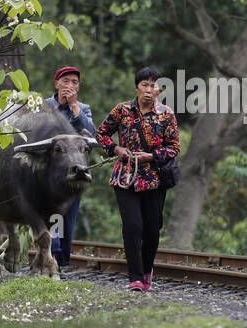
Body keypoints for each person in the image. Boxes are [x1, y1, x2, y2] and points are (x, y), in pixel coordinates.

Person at [96, 66, 180, 291]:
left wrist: (151, 156)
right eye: (145, 85)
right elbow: (101, 133)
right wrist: (116, 149)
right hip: (125, 177)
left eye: (153, 85)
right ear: (137, 87)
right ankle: (135, 278)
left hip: (155, 179)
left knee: (152, 228)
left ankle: (146, 270)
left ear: (158, 89)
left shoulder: (166, 114)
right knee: (132, 226)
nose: (148, 90)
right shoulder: (121, 110)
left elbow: (174, 147)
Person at [44, 66, 96, 270]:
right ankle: (51, 258)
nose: (70, 86)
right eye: (66, 81)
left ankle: (61, 263)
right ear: (57, 83)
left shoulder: (84, 108)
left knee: (68, 219)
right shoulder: (44, 106)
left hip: (74, 175)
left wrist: (75, 108)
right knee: (51, 216)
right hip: (49, 174)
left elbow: (92, 135)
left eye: (75, 82)